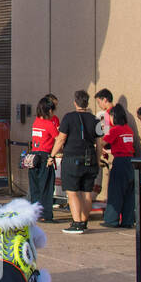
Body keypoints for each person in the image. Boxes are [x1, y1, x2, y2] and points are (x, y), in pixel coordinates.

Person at [50, 89, 98, 234]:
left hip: (72, 159)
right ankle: (83, 222)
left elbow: (61, 139)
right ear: (87, 103)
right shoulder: (95, 119)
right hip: (91, 158)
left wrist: (52, 155)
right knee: (87, 193)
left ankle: (76, 223)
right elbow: (100, 142)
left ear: (75, 102)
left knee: (72, 192)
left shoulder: (68, 118)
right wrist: (99, 157)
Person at [101, 104, 136, 228]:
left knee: (116, 191)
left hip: (120, 162)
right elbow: (123, 147)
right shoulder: (129, 130)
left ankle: (111, 220)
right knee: (128, 193)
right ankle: (128, 221)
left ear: (114, 117)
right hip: (130, 162)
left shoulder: (115, 130)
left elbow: (103, 142)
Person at [28, 95, 59, 223]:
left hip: (33, 156)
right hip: (45, 156)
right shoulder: (49, 124)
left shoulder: (36, 122)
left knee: (35, 187)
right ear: (49, 111)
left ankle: (35, 213)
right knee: (46, 186)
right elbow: (59, 139)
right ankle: (46, 214)